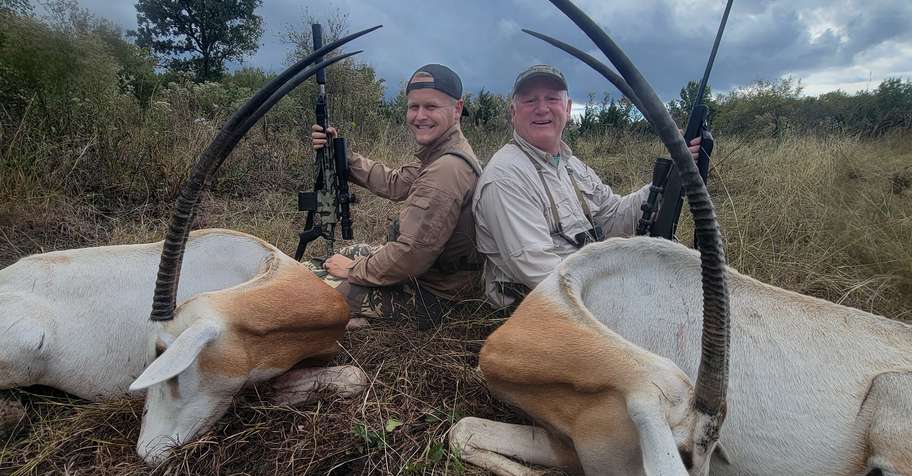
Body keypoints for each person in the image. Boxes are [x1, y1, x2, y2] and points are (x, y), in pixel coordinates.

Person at [472, 65, 703, 308]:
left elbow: (615, 217)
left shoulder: (570, 165)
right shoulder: (506, 177)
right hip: (540, 308)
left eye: (552, 98)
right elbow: (538, 272)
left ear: (568, 109)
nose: (542, 109)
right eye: (530, 100)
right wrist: (623, 293)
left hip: (585, 286)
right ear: (513, 112)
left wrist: (669, 179)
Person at [310, 64, 483, 330]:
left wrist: (354, 270)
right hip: (430, 275)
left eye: (431, 107)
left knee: (313, 293)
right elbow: (395, 183)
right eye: (414, 107)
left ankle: (352, 317)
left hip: (434, 297)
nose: (419, 116)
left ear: (457, 109)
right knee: (340, 255)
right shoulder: (443, 151)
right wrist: (343, 157)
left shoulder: (446, 171)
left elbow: (411, 255)